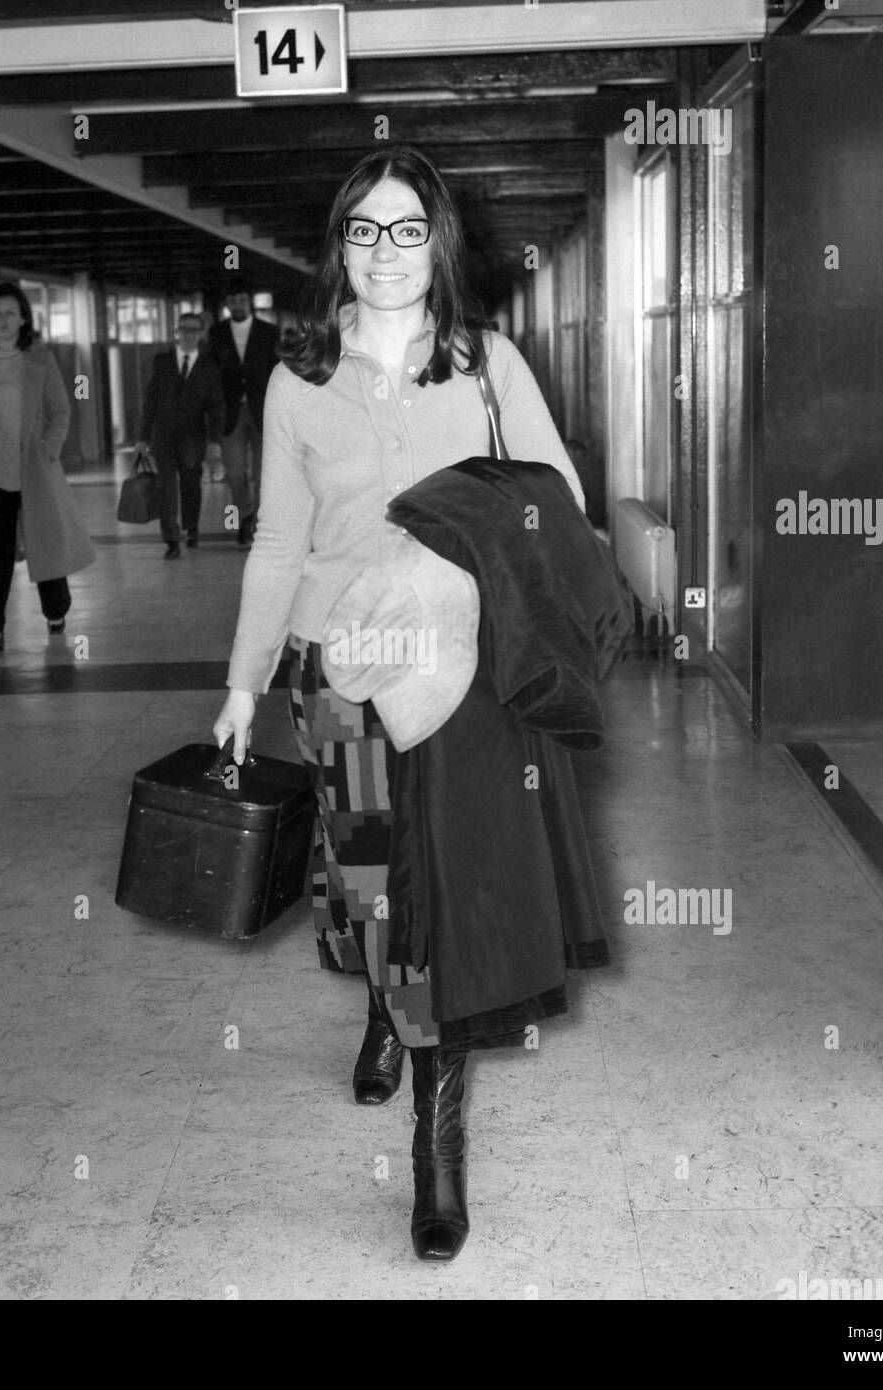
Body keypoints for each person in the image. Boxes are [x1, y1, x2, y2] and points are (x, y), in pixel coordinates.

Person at [213, 146, 594, 1262]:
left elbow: (556, 495)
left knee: (439, 905)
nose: (386, 252)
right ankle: (384, 1005)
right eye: (365, 230)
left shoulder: (484, 362)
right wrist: (239, 683)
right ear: (340, 247)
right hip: (337, 670)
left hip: (459, 675)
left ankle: (435, 1156)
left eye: (407, 228)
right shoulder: (298, 378)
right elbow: (280, 539)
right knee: (372, 885)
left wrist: (467, 537)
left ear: (439, 242)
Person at [0, 282, 94, 653]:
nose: (3, 320)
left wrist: (49, 449)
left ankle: (55, 612)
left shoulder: (40, 358)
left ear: (23, 319)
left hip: (35, 471)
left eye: (10, 313)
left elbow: (60, 410)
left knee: (44, 545)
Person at [134, 312, 225, 558]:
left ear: (200, 334)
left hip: (193, 439)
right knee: (166, 488)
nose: (188, 334)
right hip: (162, 436)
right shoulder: (161, 361)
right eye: (184, 329)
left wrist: (215, 441)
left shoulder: (209, 367)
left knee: (190, 485)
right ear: (177, 332)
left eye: (193, 330)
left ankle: (191, 527)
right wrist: (142, 437)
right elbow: (151, 400)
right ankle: (171, 540)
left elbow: (216, 408)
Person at [209, 277, 279, 546]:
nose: (237, 304)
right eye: (232, 300)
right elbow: (213, 373)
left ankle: (258, 523)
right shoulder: (217, 333)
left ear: (249, 302)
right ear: (227, 304)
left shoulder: (268, 332)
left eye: (241, 299)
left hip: (262, 411)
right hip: (229, 414)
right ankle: (245, 514)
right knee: (235, 473)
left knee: (264, 474)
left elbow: (278, 370)